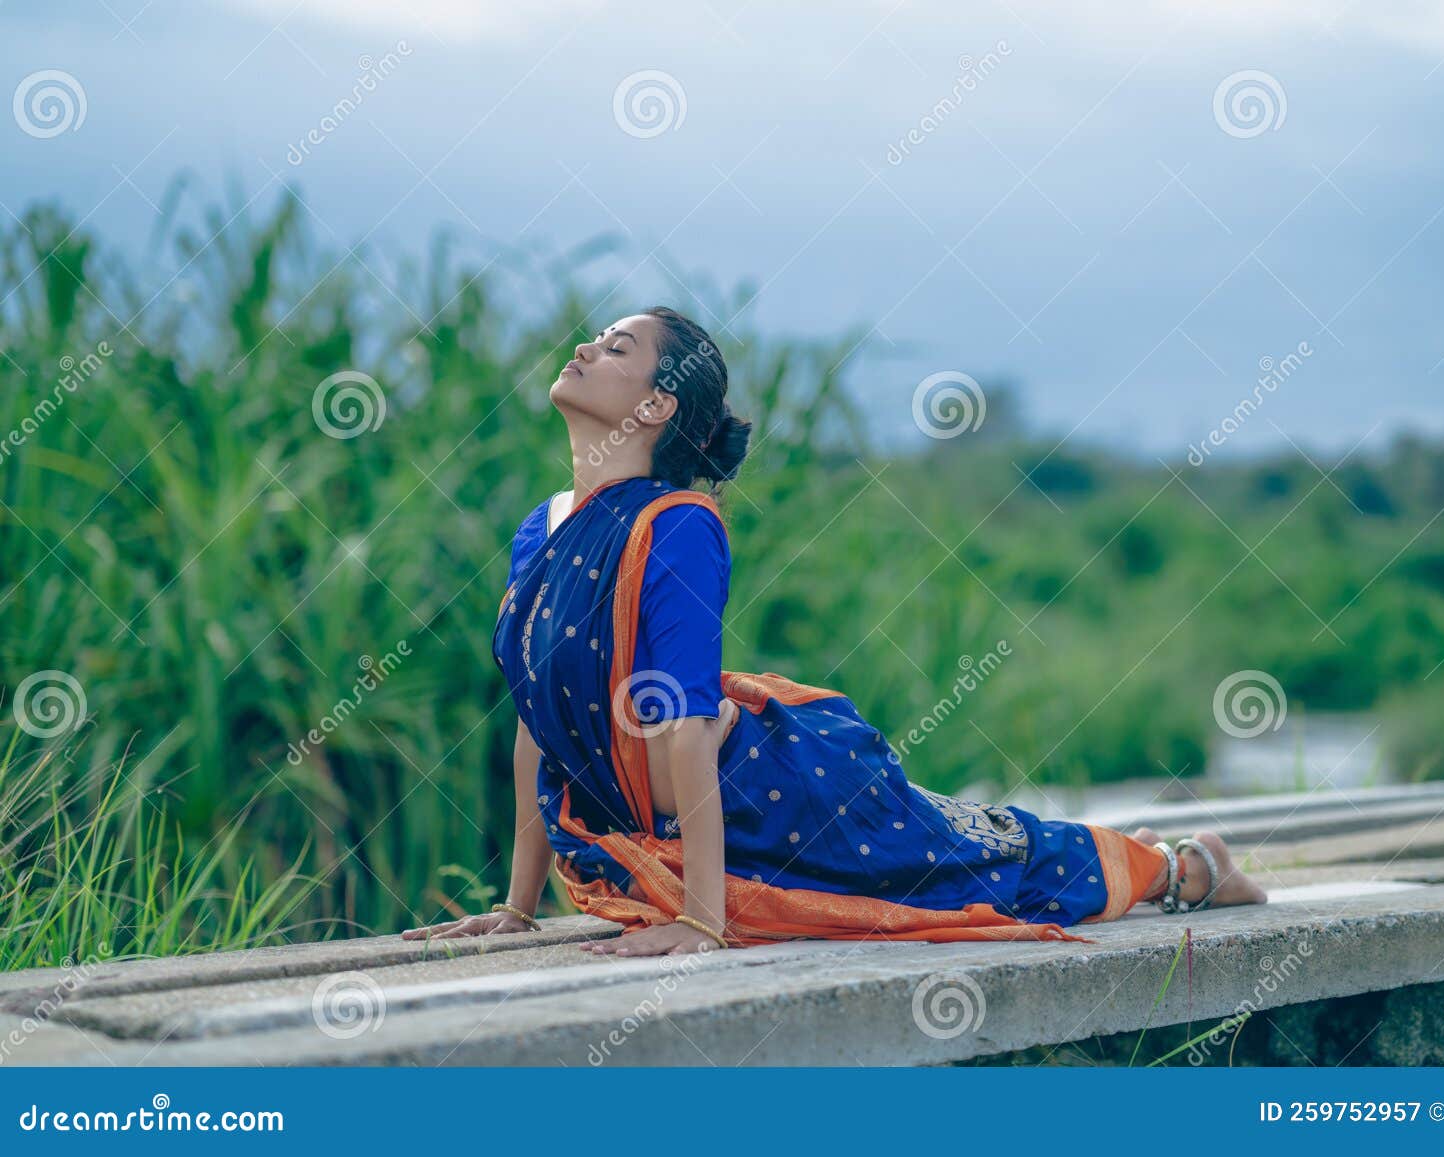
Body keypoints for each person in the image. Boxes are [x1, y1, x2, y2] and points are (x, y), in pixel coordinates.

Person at [402, 307, 1266, 955]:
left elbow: (687, 720)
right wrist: (516, 907)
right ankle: (1171, 861)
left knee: (974, 868)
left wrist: (702, 920)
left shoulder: (678, 523)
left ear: (658, 404)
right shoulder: (543, 528)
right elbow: (538, 719)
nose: (587, 347)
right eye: (595, 338)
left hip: (780, 796)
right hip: (686, 824)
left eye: (617, 347)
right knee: (967, 851)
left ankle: (1182, 867)